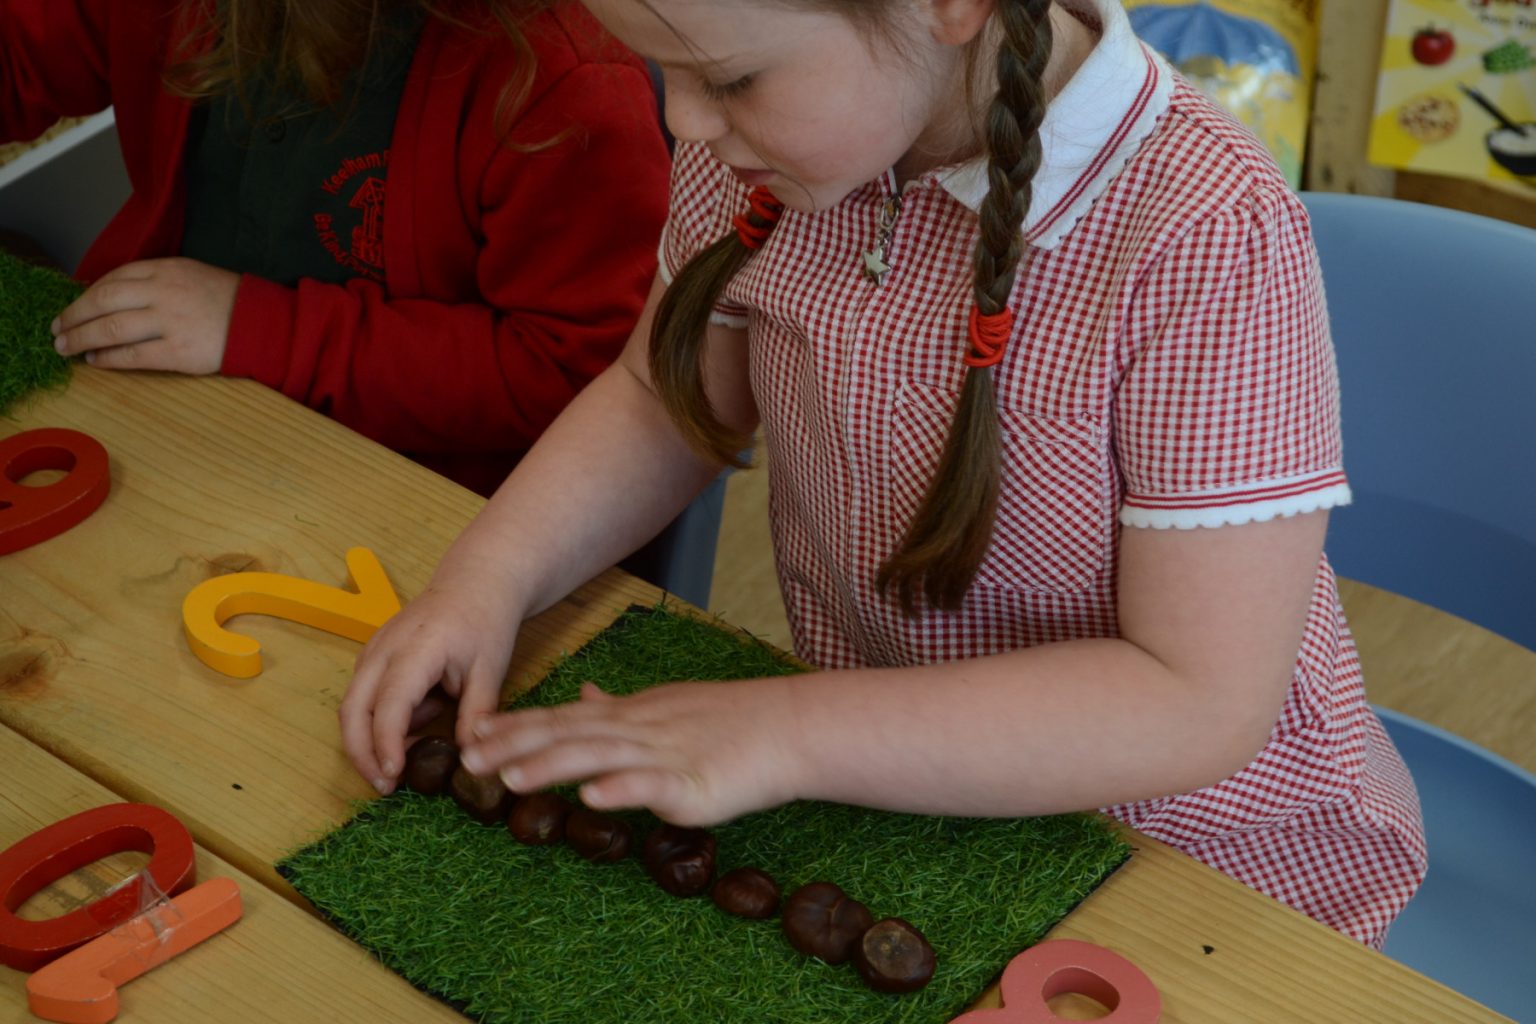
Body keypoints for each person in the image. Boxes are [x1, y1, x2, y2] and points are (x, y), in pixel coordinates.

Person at [338, 0, 1427, 947]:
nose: (683, 123)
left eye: (728, 77)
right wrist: (487, 576)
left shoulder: (1207, 235)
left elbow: (1197, 701)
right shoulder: (766, 151)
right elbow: (661, 401)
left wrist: (784, 729)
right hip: (902, 790)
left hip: (1199, 858)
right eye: (663, 70)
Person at [1, 0, 669, 496]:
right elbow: (24, 55)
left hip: (414, 495)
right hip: (158, 415)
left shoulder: (567, 79)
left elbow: (578, 376)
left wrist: (260, 328)